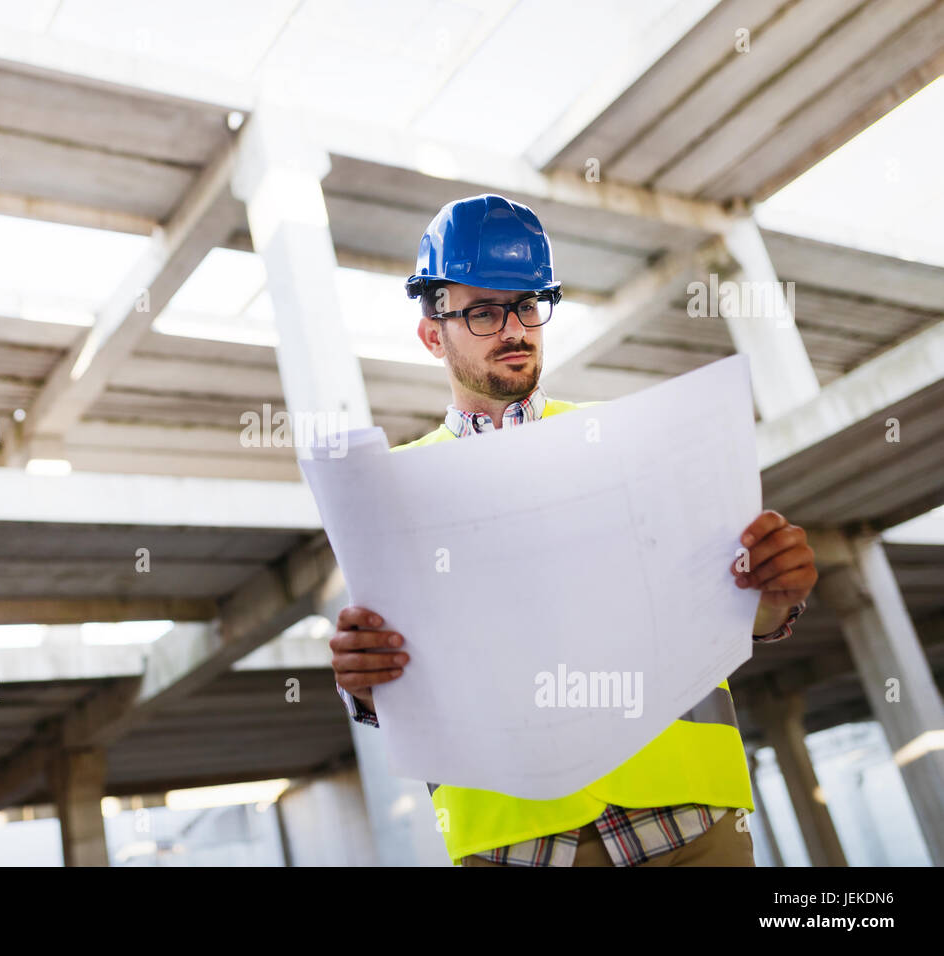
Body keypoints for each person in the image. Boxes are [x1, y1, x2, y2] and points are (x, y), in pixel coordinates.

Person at [331, 193, 817, 867]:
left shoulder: (638, 444)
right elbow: (392, 679)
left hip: (688, 819)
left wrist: (772, 599)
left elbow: (723, 615)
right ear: (432, 335)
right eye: (483, 311)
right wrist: (362, 682)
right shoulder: (392, 494)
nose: (515, 329)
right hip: (514, 841)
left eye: (528, 304)